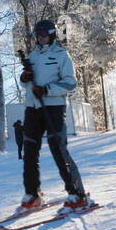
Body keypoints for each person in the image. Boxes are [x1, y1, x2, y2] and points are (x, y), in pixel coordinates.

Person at [19, 19, 90, 213]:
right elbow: (27, 83)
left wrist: (47, 90)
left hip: (53, 107)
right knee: (30, 151)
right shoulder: (32, 56)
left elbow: (70, 83)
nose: (40, 38)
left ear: (52, 35)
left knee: (58, 149)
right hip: (32, 108)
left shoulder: (61, 55)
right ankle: (32, 193)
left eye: (43, 34)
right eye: (38, 35)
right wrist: (24, 78)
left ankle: (76, 193)